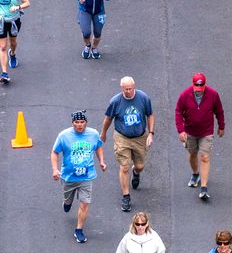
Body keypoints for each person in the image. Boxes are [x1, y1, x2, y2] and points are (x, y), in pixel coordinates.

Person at [51, 110, 107, 244]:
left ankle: (79, 230)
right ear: (72, 123)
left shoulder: (93, 134)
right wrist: (55, 169)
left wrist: (101, 161)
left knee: (85, 204)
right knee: (68, 202)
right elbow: (54, 152)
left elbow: (98, 147)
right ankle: (67, 203)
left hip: (86, 177)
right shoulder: (64, 136)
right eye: (77, 122)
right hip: (69, 177)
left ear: (86, 123)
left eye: (82, 122)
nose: (80, 125)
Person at [100, 77, 155, 213]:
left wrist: (151, 133)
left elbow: (150, 115)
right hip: (122, 137)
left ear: (134, 86)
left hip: (139, 137)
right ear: (121, 88)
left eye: (130, 88)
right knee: (124, 167)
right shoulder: (115, 101)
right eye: (126, 89)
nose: (129, 91)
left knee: (140, 165)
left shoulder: (143, 98)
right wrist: (103, 133)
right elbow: (108, 118)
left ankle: (136, 172)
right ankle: (126, 196)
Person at [175, 72, 225, 201]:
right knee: (192, 154)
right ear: (193, 85)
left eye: (201, 87)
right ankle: (195, 174)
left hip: (206, 132)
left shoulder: (213, 95)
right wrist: (181, 130)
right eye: (196, 87)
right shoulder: (185, 95)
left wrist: (221, 126)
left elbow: (219, 111)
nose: (199, 90)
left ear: (205, 84)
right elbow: (178, 111)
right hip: (190, 131)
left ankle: (203, 187)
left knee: (204, 156)